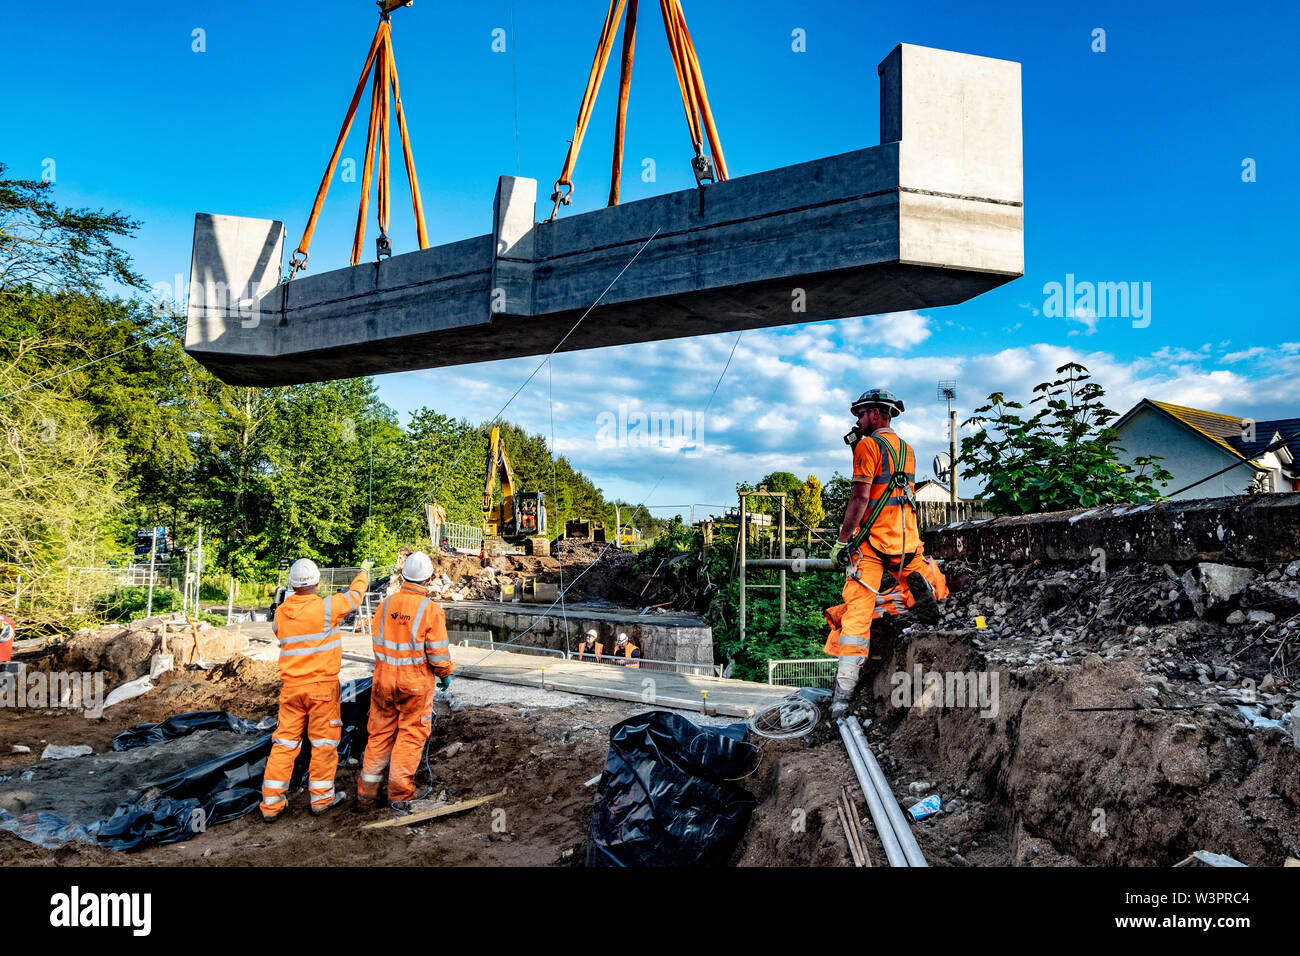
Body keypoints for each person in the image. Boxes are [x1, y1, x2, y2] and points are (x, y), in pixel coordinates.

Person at [824, 388, 946, 717]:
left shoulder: (866, 445)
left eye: (861, 415)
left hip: (874, 543)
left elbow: (861, 497)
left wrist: (842, 539)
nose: (858, 421)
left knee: (857, 610)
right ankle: (927, 593)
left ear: (876, 413)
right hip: (906, 538)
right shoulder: (907, 449)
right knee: (926, 578)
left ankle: (843, 694)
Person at [260, 558, 370, 821]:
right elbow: (355, 596)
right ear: (317, 582)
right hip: (321, 688)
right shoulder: (326, 608)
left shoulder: (281, 614)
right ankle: (321, 799)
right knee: (323, 744)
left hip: (292, 689)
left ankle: (271, 804)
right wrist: (363, 572)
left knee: (284, 743)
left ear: (291, 585)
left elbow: (280, 632)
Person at [357, 551, 455, 808]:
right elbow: (438, 654)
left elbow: (378, 642)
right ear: (429, 578)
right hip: (414, 685)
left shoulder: (386, 605)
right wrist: (444, 674)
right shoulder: (430, 610)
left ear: (403, 576)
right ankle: (400, 796)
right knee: (410, 737)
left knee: (378, 735)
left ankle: (367, 792)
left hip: (383, 681)